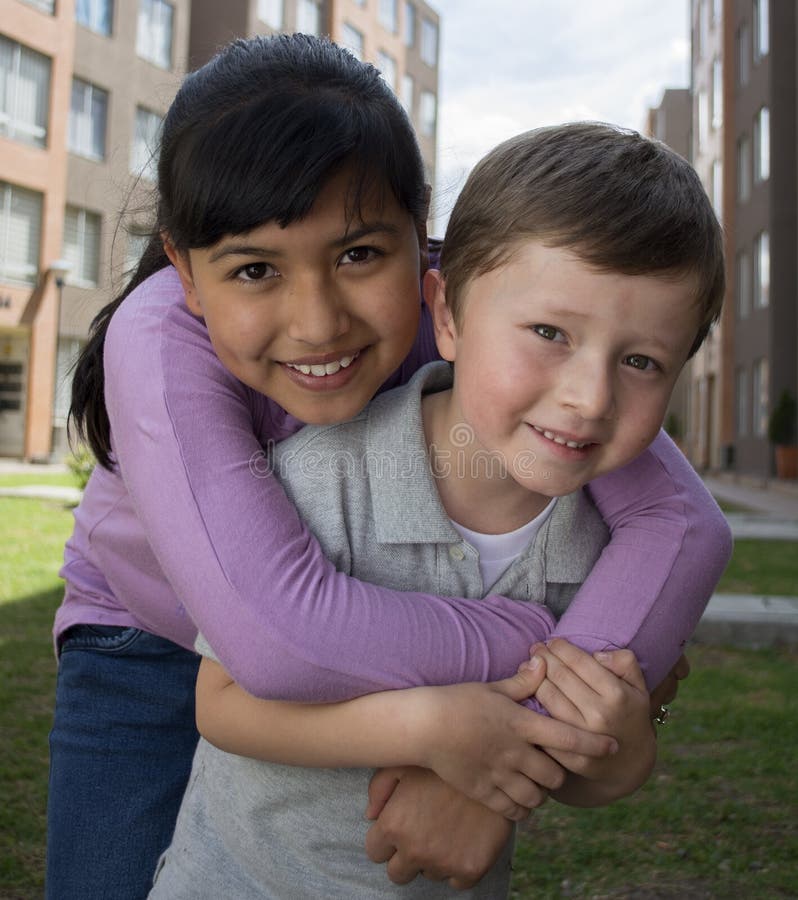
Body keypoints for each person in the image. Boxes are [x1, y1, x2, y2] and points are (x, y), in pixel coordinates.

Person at [46, 33, 730, 900]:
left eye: (360, 254)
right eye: (255, 268)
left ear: (423, 241)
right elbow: (279, 639)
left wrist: (510, 748)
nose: (318, 323)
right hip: (143, 641)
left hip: (362, 652)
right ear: (184, 268)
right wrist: (540, 662)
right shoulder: (158, 338)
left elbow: (680, 522)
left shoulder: (498, 327)